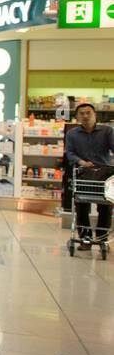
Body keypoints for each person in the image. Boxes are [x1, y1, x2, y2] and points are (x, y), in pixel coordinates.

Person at [64, 102, 114, 248]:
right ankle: (85, 239)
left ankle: (101, 238)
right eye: (82, 113)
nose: (85, 116)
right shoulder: (72, 134)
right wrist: (81, 162)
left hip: (103, 174)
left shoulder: (107, 131)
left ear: (94, 115)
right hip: (83, 173)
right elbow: (69, 153)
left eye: (88, 113)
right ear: (77, 117)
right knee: (81, 207)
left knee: (105, 207)